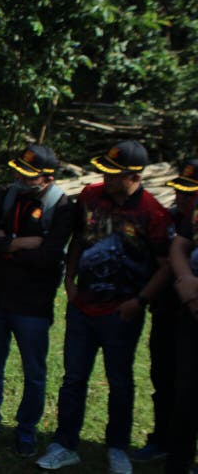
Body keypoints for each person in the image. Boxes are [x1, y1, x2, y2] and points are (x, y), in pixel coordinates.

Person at [37, 140, 172, 474]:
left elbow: (166, 264)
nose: (105, 178)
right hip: (84, 305)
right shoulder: (90, 196)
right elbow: (79, 239)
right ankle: (65, 444)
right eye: (105, 172)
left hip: (121, 311)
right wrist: (69, 279)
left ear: (133, 176)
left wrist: (140, 301)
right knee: (73, 378)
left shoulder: (152, 212)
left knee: (120, 380)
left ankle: (117, 447)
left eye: (114, 174)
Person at [0, 145, 74, 456]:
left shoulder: (62, 206)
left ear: (48, 178)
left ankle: (26, 430)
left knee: (34, 372)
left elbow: (49, 256)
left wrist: (3, 245)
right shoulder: (5, 194)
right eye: (18, 172)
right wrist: (21, 242)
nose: (20, 178)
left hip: (32, 305)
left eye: (28, 176)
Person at [131, 158, 198, 463]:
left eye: (190, 192)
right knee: (164, 379)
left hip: (190, 313)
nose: (183, 198)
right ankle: (162, 439)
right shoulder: (169, 220)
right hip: (167, 313)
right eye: (180, 191)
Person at [164, 158, 198, 474]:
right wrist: (187, 282)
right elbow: (180, 246)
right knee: (184, 390)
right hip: (191, 310)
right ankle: (178, 461)